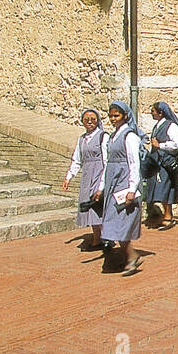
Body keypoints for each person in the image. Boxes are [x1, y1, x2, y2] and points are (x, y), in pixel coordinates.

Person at [101, 101, 143, 272]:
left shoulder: (130, 136)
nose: (113, 119)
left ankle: (131, 255)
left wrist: (132, 188)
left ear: (125, 116)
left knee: (120, 221)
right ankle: (129, 255)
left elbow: (134, 163)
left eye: (116, 116)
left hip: (124, 182)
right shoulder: (113, 136)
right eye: (111, 116)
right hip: (113, 182)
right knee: (113, 221)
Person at [63, 107, 109, 250]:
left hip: (99, 174)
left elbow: (107, 160)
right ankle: (97, 238)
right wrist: (69, 177)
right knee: (89, 208)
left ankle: (105, 238)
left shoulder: (103, 136)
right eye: (87, 119)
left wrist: (103, 181)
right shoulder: (82, 139)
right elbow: (77, 160)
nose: (90, 122)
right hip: (87, 176)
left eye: (93, 119)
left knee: (98, 206)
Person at [144, 101, 178, 229]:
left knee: (166, 187)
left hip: (166, 161)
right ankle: (166, 214)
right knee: (160, 187)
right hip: (157, 161)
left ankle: (168, 216)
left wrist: (160, 145)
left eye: (153, 111)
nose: (151, 113)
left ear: (160, 113)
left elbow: (176, 143)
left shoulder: (171, 126)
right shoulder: (157, 126)